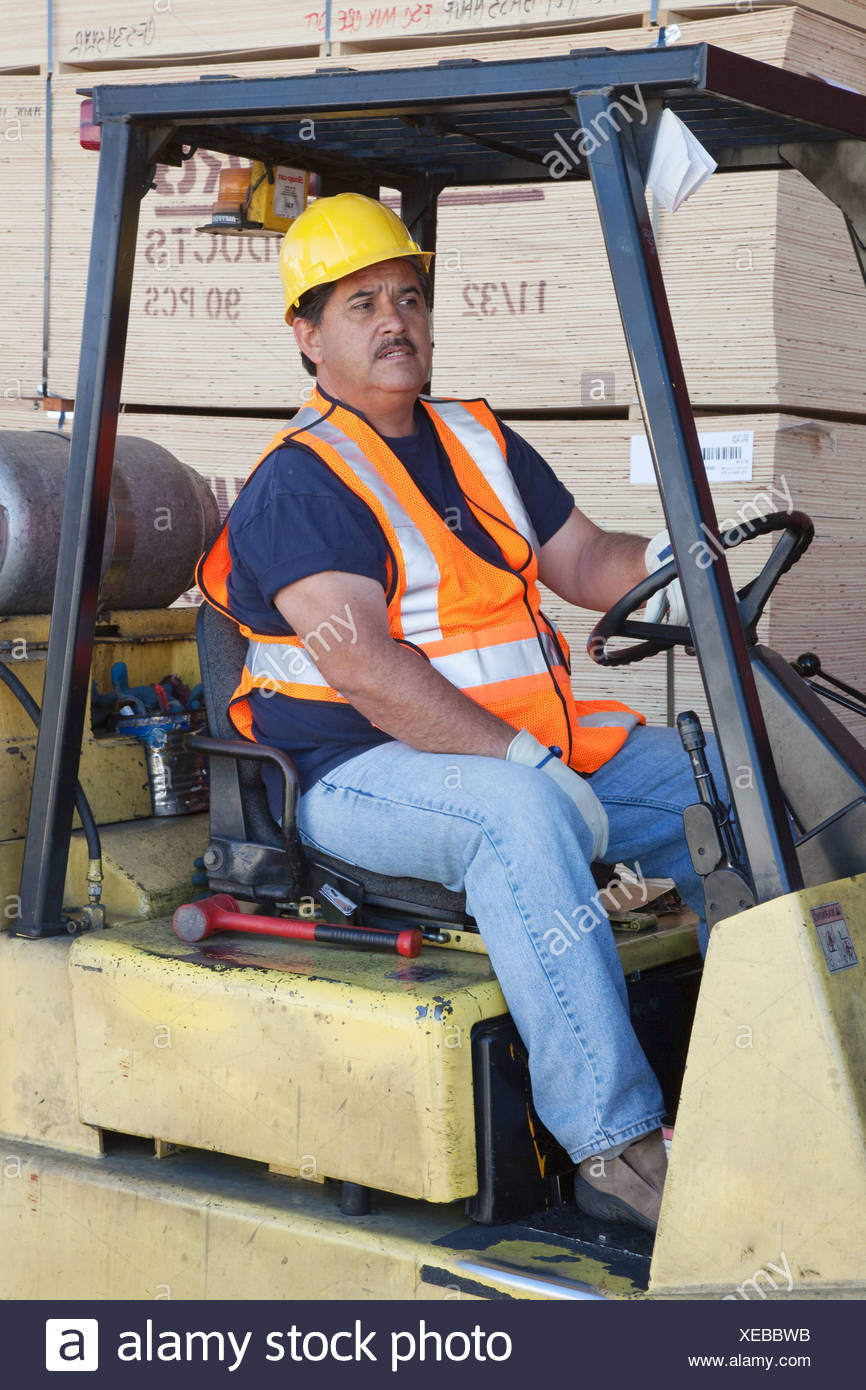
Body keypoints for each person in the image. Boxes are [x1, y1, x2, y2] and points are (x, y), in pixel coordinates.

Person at [198, 193, 732, 1234]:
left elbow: (581, 560)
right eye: (360, 303)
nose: (393, 318)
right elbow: (373, 676)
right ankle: (611, 1147)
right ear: (306, 334)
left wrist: (671, 566)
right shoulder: (298, 483)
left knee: (734, 784)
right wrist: (528, 765)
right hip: (352, 778)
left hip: (521, 752)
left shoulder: (475, 436)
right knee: (518, 817)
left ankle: (758, 1072)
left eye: (407, 295)